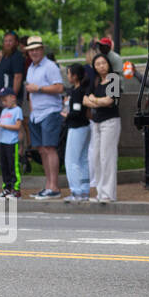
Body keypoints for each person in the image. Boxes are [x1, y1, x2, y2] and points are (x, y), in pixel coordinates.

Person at [23, 35, 65, 200]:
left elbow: (59, 87)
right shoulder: (31, 68)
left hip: (50, 112)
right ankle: (48, 185)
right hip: (36, 114)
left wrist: (39, 88)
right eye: (31, 50)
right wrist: (32, 111)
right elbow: (31, 93)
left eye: (36, 49)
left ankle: (54, 187)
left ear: (42, 50)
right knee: (41, 150)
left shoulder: (50, 66)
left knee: (49, 148)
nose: (34, 52)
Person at [85, 53, 121, 203]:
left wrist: (95, 100)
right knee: (97, 158)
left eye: (103, 63)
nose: (101, 66)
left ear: (108, 64)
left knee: (108, 157)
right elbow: (85, 100)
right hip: (97, 122)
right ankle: (100, 192)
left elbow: (110, 101)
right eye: (98, 64)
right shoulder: (94, 81)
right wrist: (96, 102)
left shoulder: (114, 79)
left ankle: (108, 193)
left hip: (110, 122)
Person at [61, 63, 93, 203]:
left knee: (71, 160)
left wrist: (66, 116)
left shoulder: (77, 92)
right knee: (83, 159)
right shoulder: (80, 90)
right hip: (85, 126)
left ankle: (76, 190)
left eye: (68, 73)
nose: (67, 76)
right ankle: (85, 189)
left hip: (77, 127)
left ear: (74, 76)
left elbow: (76, 112)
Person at [0, 88, 24, 199]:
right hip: (2, 142)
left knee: (13, 166)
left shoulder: (17, 110)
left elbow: (17, 126)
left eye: (5, 99)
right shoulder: (4, 111)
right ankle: (7, 188)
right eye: (2, 100)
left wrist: (2, 125)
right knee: (4, 166)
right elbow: (3, 125)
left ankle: (16, 190)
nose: (3, 102)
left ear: (13, 97)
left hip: (12, 143)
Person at [0, 31, 27, 101]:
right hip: (2, 97)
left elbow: (18, 77)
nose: (7, 43)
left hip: (10, 99)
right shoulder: (5, 56)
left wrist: (12, 97)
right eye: (5, 41)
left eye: (10, 41)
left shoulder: (17, 56)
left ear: (16, 43)